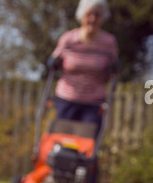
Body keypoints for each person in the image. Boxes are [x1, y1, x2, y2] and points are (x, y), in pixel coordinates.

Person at [51, 0, 119, 131]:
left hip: (94, 101)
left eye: (97, 15)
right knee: (64, 140)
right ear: (82, 15)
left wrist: (112, 70)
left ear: (102, 17)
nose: (93, 19)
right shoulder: (68, 39)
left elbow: (114, 68)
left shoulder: (109, 42)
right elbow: (55, 59)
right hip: (67, 99)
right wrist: (54, 62)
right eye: (89, 14)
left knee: (88, 143)